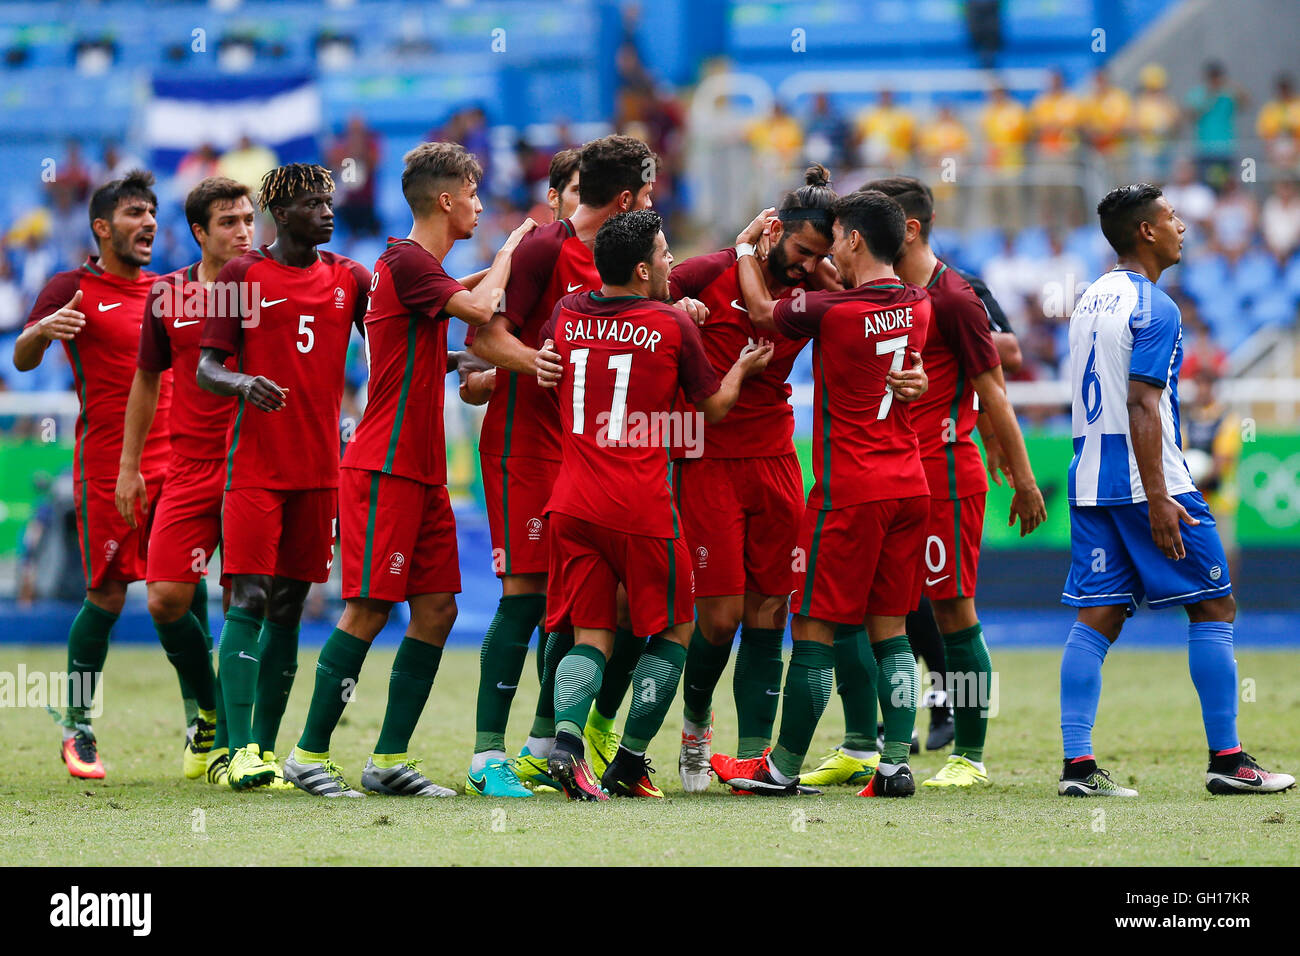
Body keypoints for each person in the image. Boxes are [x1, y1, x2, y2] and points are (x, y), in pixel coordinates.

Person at [281, 144, 535, 797]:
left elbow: (458, 304)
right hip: (384, 467)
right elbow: (480, 311)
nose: (481, 205)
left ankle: (389, 758)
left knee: (438, 610)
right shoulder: (405, 262)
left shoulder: (422, 272)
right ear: (446, 200)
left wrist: (493, 290)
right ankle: (308, 753)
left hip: (421, 474)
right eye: (474, 194)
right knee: (367, 609)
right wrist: (515, 251)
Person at [1059, 183, 1293, 797]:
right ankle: (1229, 761)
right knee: (1214, 605)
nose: (1182, 225)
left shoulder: (1088, 299)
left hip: (1090, 480)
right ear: (1146, 231)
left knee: (1099, 616)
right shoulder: (1155, 307)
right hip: (1149, 480)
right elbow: (1141, 404)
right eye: (1170, 216)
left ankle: (1078, 767)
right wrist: (1160, 497)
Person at [532, 209, 774, 799]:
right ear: (643, 269)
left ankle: (564, 745)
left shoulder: (568, 313)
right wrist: (740, 368)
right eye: (665, 256)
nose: (672, 264)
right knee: (674, 630)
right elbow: (712, 408)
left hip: (572, 501)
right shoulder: (670, 325)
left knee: (592, 635)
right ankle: (631, 759)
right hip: (640, 504)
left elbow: (553, 359)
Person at [710, 189, 930, 796]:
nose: (823, 254)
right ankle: (893, 764)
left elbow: (759, 313)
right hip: (910, 485)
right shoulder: (920, 303)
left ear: (854, 239)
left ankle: (779, 770)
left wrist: (741, 250)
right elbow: (868, 303)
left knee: (812, 630)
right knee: (893, 634)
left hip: (849, 492)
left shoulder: (832, 314)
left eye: (836, 239)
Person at [465, 135, 657, 797]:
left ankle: (545, 746)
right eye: (648, 192)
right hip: (524, 444)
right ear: (627, 196)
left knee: (579, 608)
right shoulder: (544, 245)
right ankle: (487, 755)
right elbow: (483, 334)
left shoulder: (620, 260)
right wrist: (529, 364)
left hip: (581, 455)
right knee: (524, 595)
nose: (655, 203)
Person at [858, 177, 1046, 789]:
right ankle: (878, 745)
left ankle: (969, 755)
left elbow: (995, 389)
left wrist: (1023, 479)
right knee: (876, 610)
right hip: (888, 473)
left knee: (953, 612)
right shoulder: (879, 294)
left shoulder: (956, 297)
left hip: (943, 475)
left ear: (907, 228)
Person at [197, 163, 371, 790]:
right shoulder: (244, 274)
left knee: (291, 607)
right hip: (256, 470)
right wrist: (244, 381)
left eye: (329, 201)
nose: (327, 211)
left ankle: (265, 752)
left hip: (321, 472)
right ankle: (236, 749)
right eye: (312, 202)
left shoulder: (350, 277)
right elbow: (206, 367)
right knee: (247, 598)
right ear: (281, 210)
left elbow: (401, 332)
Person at [665, 166, 837, 793]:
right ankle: (694, 723)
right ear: (771, 231)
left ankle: (755, 759)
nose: (807, 264)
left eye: (820, 254)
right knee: (718, 616)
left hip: (774, 459)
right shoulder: (703, 274)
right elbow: (632, 297)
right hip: (705, 457)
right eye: (801, 250)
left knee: (770, 608)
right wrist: (672, 310)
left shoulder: (817, 288)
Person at [12, 170, 172, 778]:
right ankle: (76, 726)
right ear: (103, 227)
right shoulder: (71, 287)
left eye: (153, 213)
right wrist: (39, 331)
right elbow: (24, 360)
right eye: (136, 212)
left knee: (183, 590)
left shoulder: (168, 291)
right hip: (109, 465)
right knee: (107, 593)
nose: (149, 223)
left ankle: (207, 728)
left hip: (176, 463)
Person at [116, 177, 254, 785]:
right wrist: (129, 465)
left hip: (256, 467)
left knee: (248, 605)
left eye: (250, 220)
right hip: (189, 468)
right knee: (166, 598)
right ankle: (206, 710)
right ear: (200, 231)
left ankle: (243, 744)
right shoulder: (167, 296)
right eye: (229, 222)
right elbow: (147, 381)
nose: (244, 231)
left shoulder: (269, 286)